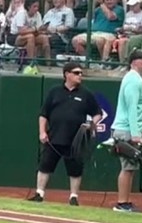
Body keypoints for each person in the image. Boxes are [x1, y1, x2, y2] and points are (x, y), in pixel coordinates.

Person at [29, 62, 102, 206]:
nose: (80, 75)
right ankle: (39, 193)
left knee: (75, 169)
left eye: (81, 73)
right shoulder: (54, 91)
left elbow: (97, 113)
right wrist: (42, 132)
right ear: (67, 74)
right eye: (76, 73)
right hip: (54, 137)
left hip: (75, 139)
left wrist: (91, 125)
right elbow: (43, 114)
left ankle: (73, 197)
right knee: (45, 166)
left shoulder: (85, 93)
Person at [109, 50, 142, 213]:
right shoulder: (133, 79)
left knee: (131, 167)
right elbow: (131, 108)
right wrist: (136, 133)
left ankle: (126, 201)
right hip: (127, 129)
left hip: (129, 129)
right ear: (134, 62)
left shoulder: (135, 78)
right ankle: (121, 203)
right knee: (127, 167)